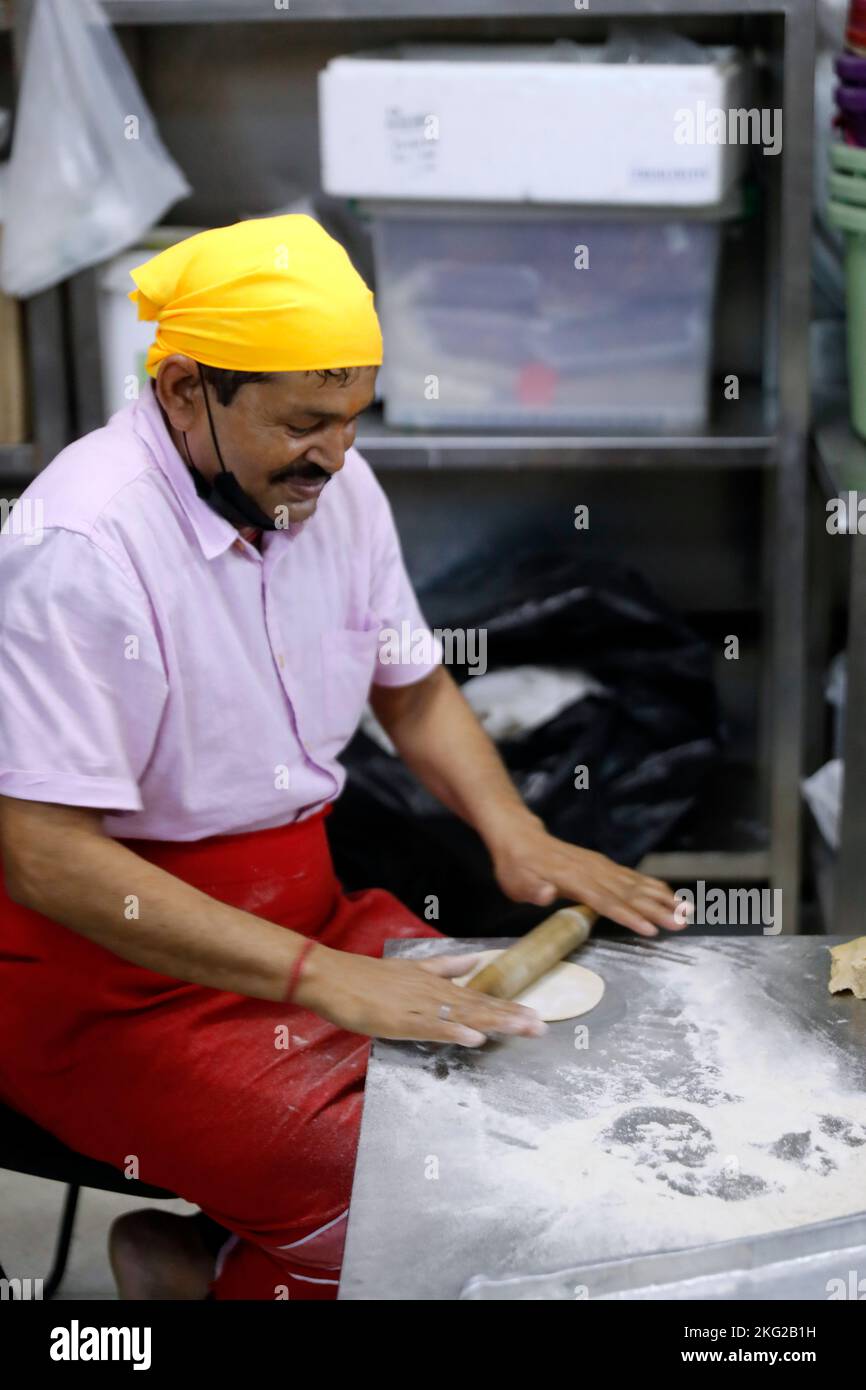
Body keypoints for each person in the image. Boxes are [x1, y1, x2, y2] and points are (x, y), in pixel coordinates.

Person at [0, 215, 682, 1300]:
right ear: (186, 391)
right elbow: (45, 857)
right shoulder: (82, 545)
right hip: (118, 986)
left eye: (354, 418)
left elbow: (409, 689)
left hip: (311, 916)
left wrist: (518, 835)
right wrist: (321, 983)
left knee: (520, 1116)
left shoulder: (330, 490)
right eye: (305, 421)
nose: (338, 452)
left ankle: (199, 1265)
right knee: (418, 1204)